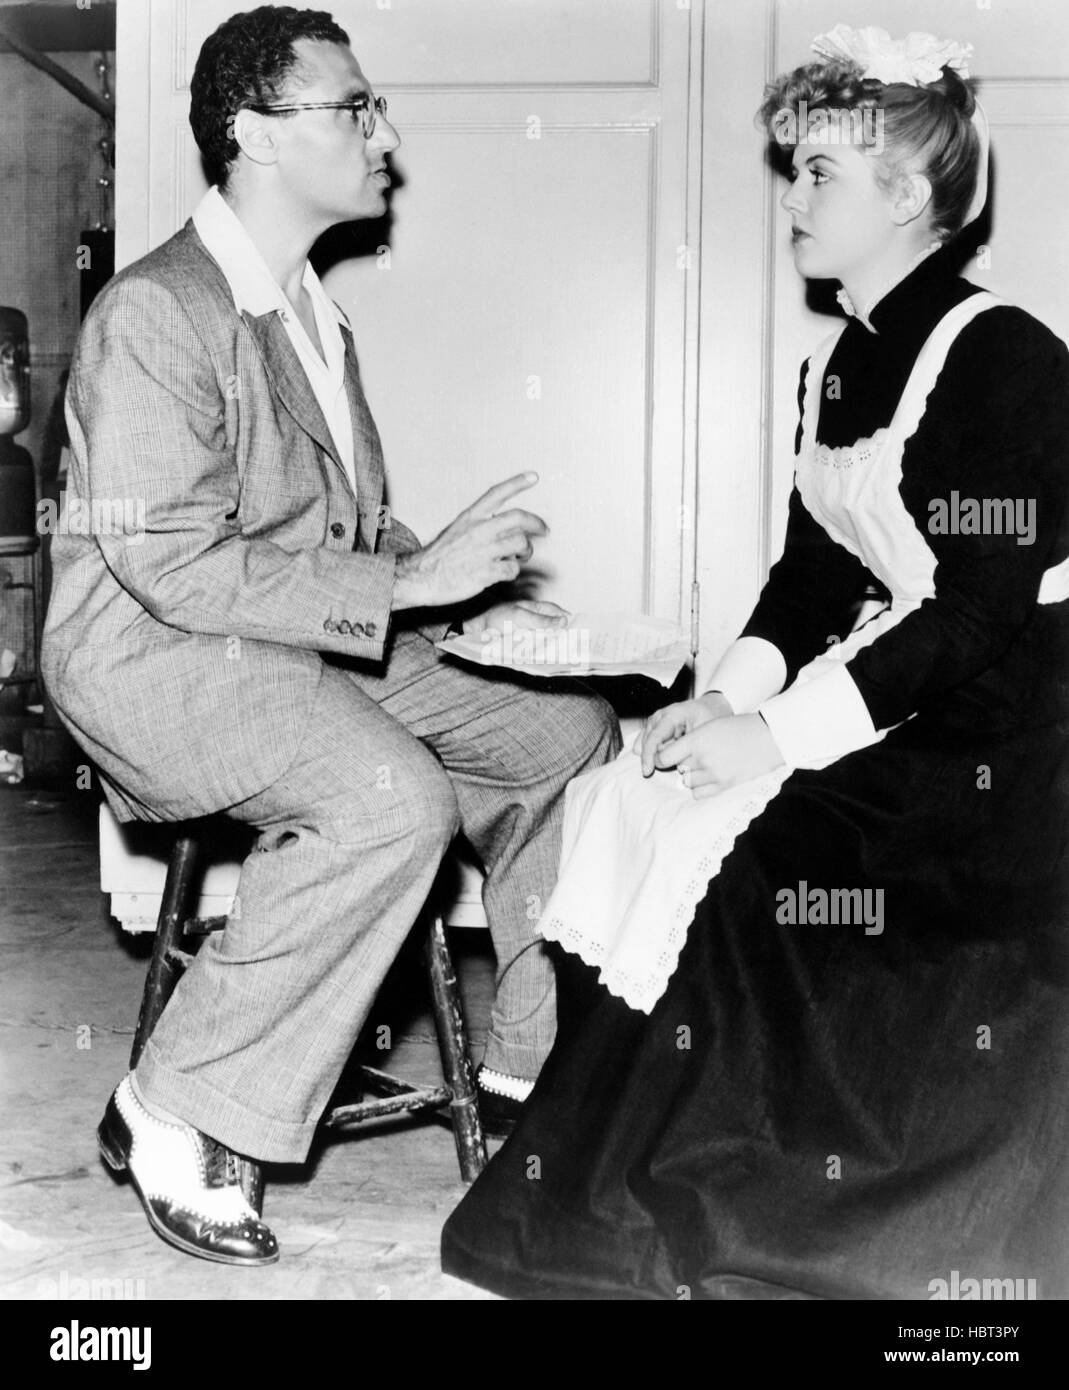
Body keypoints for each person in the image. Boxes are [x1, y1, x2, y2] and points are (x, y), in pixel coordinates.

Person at [441, 24, 1069, 1300]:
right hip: (914, 682)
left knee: (761, 856)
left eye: (820, 173)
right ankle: (607, 1188)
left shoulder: (1007, 357)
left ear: (910, 196)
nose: (790, 196)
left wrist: (780, 738)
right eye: (790, 167)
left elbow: (979, 613)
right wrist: (721, 700)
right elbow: (813, 579)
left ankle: (760, 1212)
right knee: (642, 793)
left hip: (1020, 729)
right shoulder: (836, 360)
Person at [41, 4, 618, 1267]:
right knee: (386, 795)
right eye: (354, 108)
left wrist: (460, 587)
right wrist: (407, 593)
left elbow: (329, 525)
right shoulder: (154, 313)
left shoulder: (308, 311)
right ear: (253, 133)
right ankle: (173, 1105)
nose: (386, 134)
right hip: (153, 655)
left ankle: (530, 1077)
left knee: (567, 734)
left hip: (288, 638)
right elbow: (173, 559)